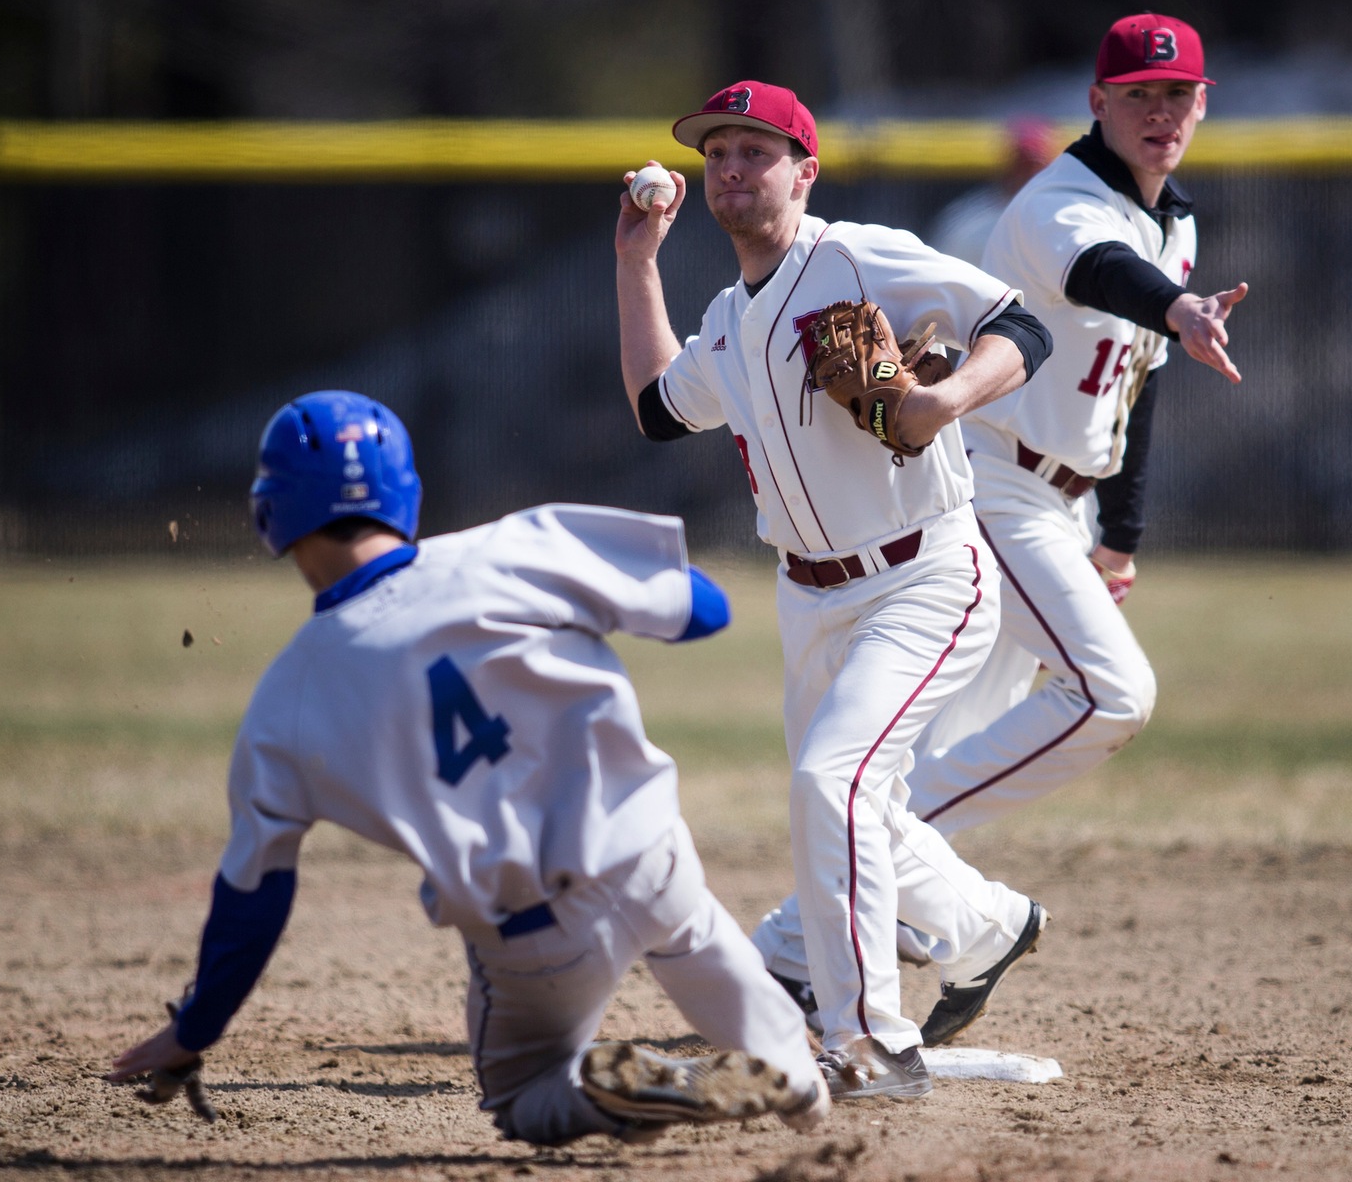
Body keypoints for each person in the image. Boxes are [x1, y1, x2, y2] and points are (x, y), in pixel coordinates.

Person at [106, 390, 827, 1146]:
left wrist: (194, 1030)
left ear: (270, 518)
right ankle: (798, 1082)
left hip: (533, 935)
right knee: (692, 939)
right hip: (649, 854)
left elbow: (253, 900)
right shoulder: (512, 549)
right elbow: (702, 610)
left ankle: (621, 1088)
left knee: (522, 1093)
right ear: (406, 495)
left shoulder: (284, 702)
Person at [752, 13, 1251, 1049]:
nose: (1159, 113)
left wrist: (1123, 533)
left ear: (1202, 105)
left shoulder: (1179, 222)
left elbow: (1134, 390)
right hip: (994, 489)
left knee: (906, 762)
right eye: (1139, 95)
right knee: (1111, 695)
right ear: (1098, 102)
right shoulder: (1058, 205)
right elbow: (1107, 280)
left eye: (1178, 96)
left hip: (1064, 506)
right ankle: (969, 919)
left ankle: (800, 945)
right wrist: (1182, 308)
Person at [613, 80, 1055, 1100]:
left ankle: (868, 1044)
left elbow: (1018, 327)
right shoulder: (727, 319)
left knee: (830, 786)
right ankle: (991, 928)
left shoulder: (858, 257)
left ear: (803, 173)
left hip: (924, 575)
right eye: (717, 151)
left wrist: (941, 398)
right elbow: (653, 409)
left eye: (755, 152)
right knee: (867, 806)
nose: (730, 167)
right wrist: (635, 262)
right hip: (808, 599)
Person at [925, 117, 1058, 270]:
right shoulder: (969, 225)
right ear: (1007, 166)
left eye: (1036, 166)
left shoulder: (1071, 220)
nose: (1028, 175)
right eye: (1022, 165)